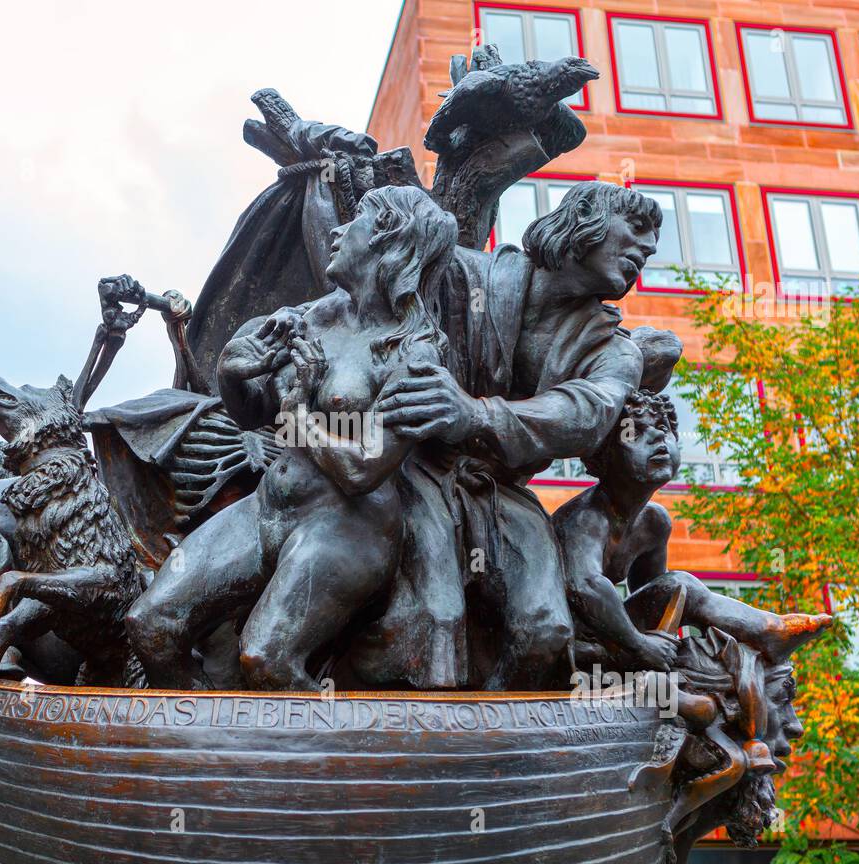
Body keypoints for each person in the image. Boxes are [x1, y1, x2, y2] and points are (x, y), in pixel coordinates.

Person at [126, 185, 458, 690]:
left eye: (359, 220)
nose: (340, 231)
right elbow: (252, 411)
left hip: (348, 528)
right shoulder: (317, 316)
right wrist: (236, 373)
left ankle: (340, 759)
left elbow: (363, 469)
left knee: (264, 659)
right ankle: (203, 747)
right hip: (271, 506)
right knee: (150, 625)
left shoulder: (416, 351)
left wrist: (297, 414)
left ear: (388, 239)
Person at [351, 181, 666, 689]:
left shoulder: (615, 352)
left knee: (546, 629)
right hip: (406, 467)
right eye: (636, 228)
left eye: (652, 244)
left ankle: (496, 746)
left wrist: (474, 414)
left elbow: (586, 413)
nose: (647, 249)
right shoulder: (457, 272)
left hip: (499, 493)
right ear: (582, 219)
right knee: (431, 621)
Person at [553, 387, 832, 670]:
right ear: (602, 457)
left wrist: (656, 641)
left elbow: (657, 594)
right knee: (682, 585)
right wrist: (639, 644)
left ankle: (766, 632)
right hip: (571, 647)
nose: (658, 437)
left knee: (679, 587)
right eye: (635, 433)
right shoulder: (587, 518)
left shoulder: (653, 523)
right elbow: (587, 586)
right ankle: (767, 630)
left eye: (663, 427)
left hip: (611, 639)